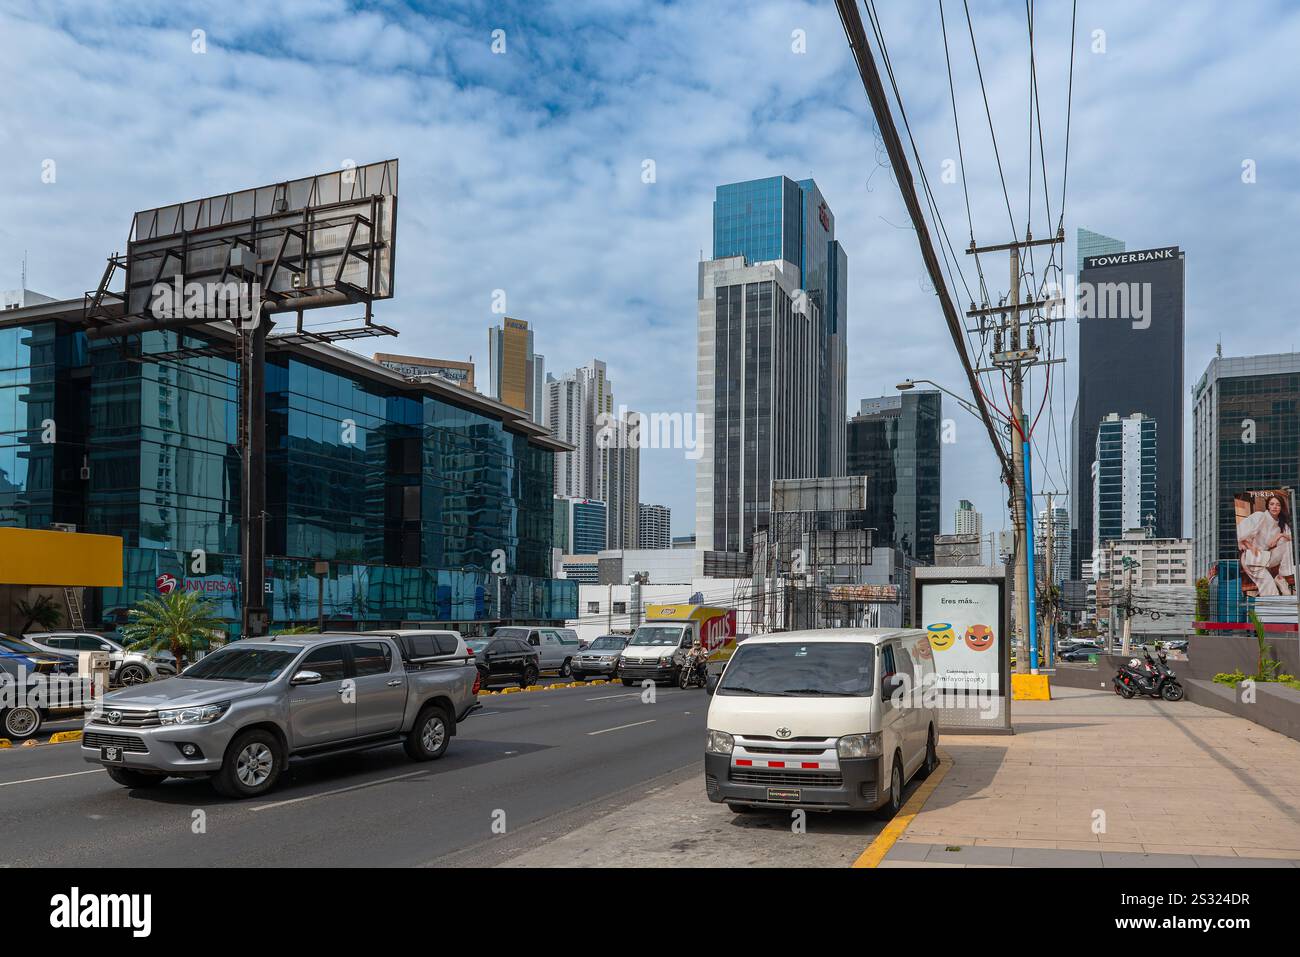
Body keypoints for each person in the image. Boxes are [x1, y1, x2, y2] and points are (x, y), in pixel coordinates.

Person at [1238, 494, 1295, 596]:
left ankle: (1281, 578)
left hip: (1266, 557)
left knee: (1288, 544)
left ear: (1281, 508)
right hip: (1252, 558)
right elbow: (1239, 533)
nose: (1274, 507)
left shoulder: (1282, 525)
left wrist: (1280, 535)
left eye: (1278, 505)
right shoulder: (1260, 516)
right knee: (1271, 591)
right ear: (1268, 506)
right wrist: (1251, 546)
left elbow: (1293, 539)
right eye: (1272, 504)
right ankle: (1271, 609)